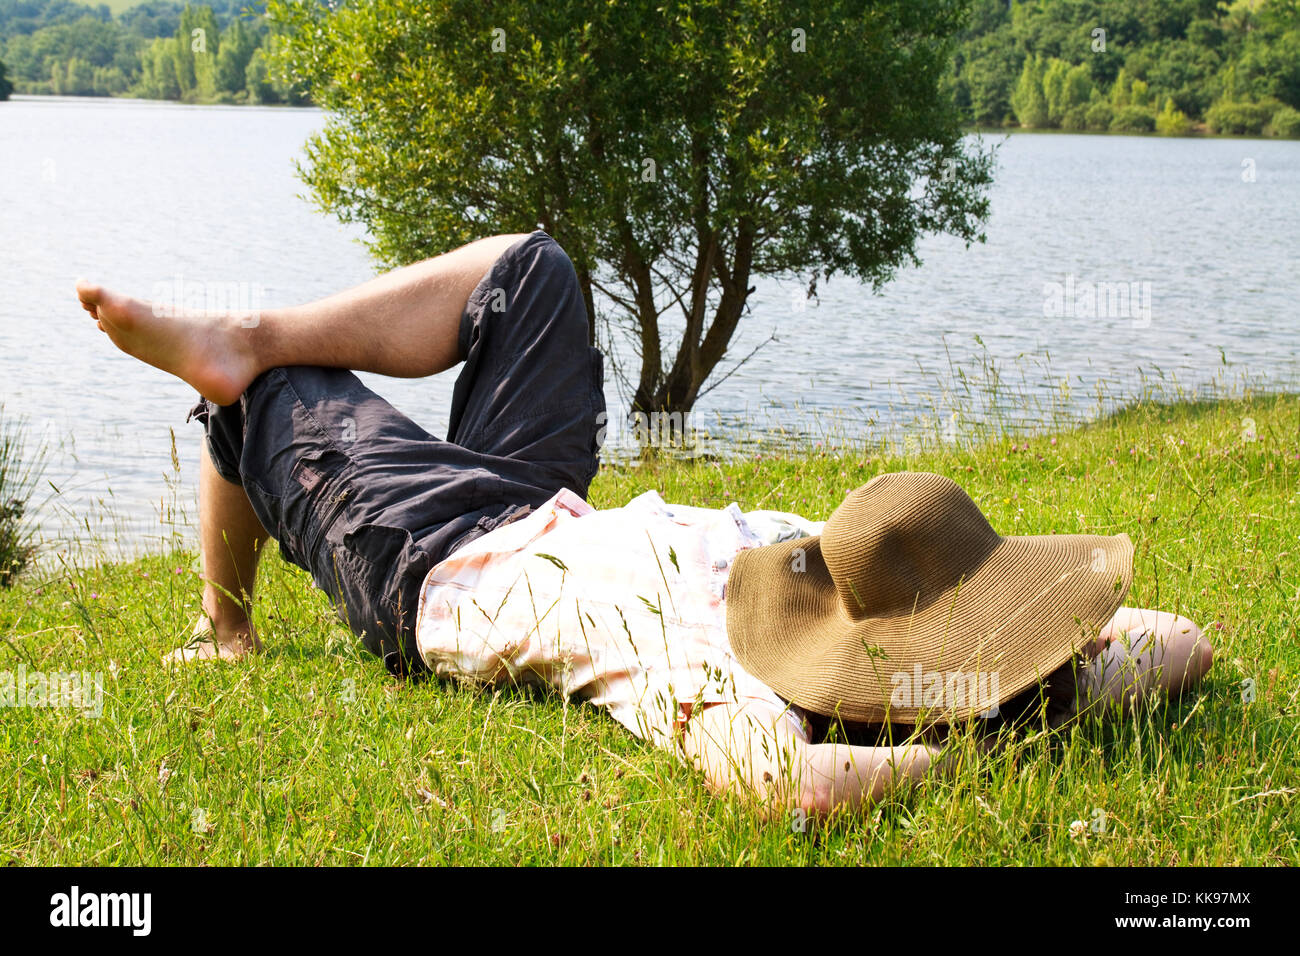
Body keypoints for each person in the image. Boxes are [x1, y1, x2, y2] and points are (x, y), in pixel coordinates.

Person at [75, 231, 1214, 817]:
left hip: (441, 562)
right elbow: (1180, 640)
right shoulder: (869, 567)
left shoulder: (725, 661)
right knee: (531, 269)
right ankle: (260, 334)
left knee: (267, 392)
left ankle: (225, 617)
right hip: (539, 499)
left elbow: (789, 784)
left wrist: (954, 740)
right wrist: (1001, 669)